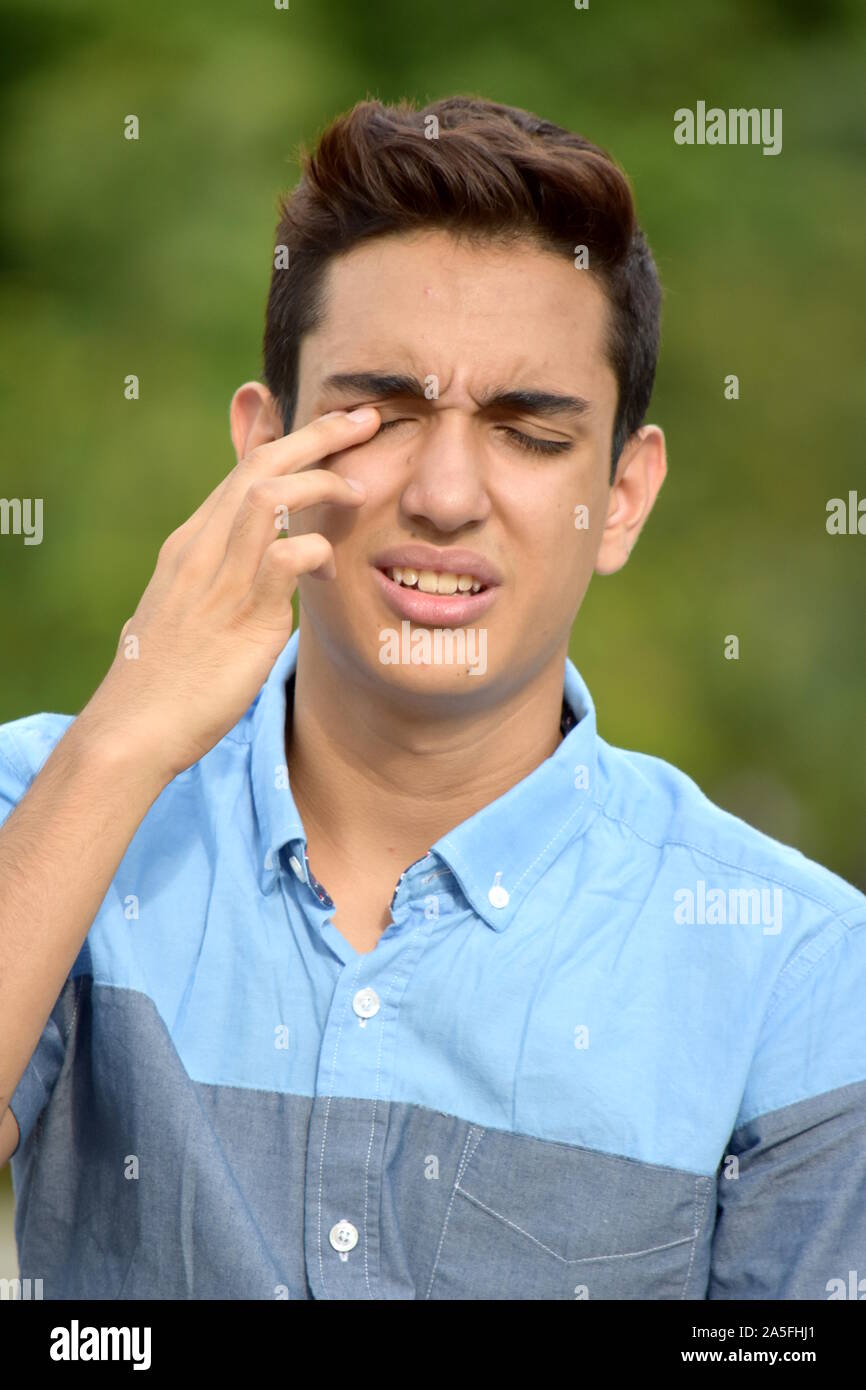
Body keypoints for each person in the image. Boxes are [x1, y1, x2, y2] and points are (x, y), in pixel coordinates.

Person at [1, 95, 863, 1301]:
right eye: (384, 413)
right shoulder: (49, 802)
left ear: (619, 496)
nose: (447, 493)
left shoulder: (799, 968)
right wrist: (122, 741)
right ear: (265, 453)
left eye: (526, 432)